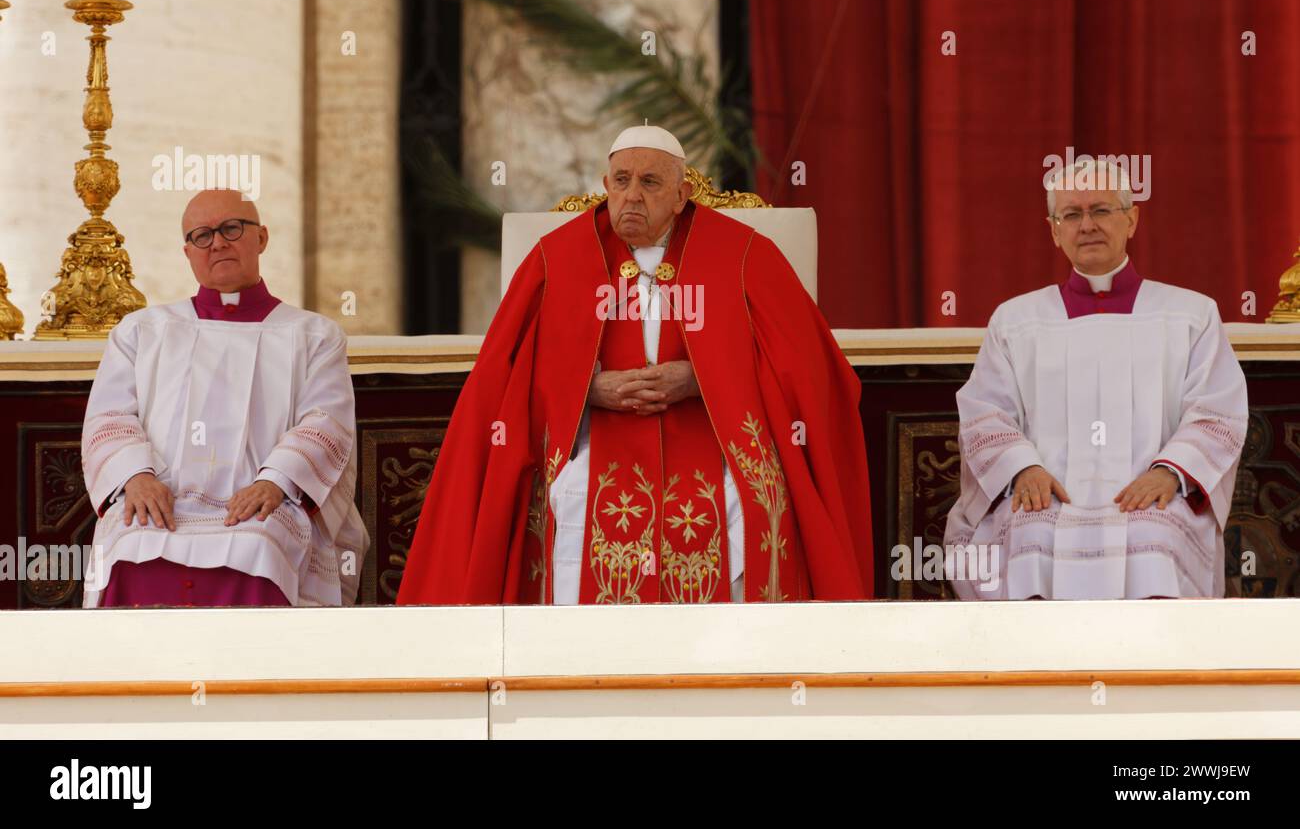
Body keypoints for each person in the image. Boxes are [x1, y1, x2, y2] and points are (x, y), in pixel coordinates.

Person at [399, 125, 872, 605]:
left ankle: (724, 669)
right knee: (574, 496)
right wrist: (588, 388)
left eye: (650, 183)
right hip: (592, 436)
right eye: (621, 181)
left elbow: (811, 367)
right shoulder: (556, 258)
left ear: (683, 194)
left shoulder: (744, 253)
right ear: (605, 186)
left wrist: (701, 379)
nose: (631, 196)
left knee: (743, 500)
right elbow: (506, 374)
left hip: (712, 436)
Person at [944, 157, 1247, 599]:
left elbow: (1216, 410)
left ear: (1131, 219)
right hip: (1046, 493)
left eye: (1101, 210)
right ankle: (1041, 668)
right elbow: (986, 412)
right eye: (1071, 214)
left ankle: (1152, 668)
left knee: (1157, 540)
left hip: (1151, 493)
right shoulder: (1016, 321)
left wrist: (1169, 474)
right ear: (1054, 231)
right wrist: (1023, 468)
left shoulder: (1190, 315)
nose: (1087, 225)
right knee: (1030, 537)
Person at [81, 188, 368, 607]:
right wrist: (136, 477)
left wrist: (276, 481)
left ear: (262, 238)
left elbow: (325, 422)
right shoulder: (142, 331)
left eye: (232, 228)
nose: (217, 242)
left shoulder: (314, 335)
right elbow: (109, 417)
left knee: (259, 546)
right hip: (160, 501)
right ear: (188, 251)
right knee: (129, 543)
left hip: (263, 503)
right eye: (202, 235)